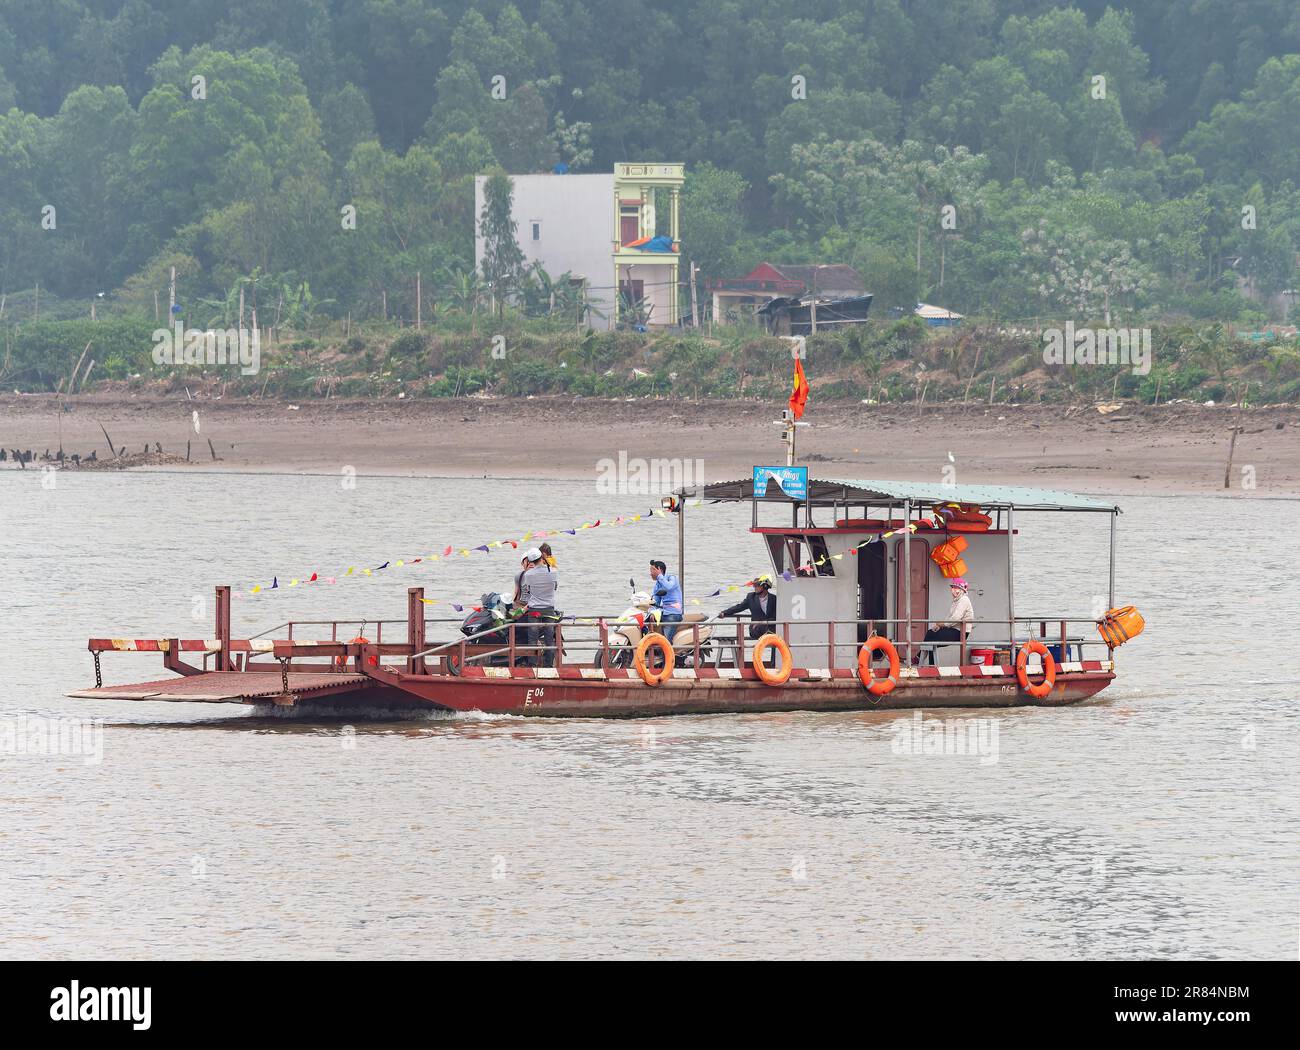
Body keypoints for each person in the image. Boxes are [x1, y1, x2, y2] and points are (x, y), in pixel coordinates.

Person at [519, 546, 559, 666]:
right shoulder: (553, 572)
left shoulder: (529, 575)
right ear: (542, 557)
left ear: (531, 561)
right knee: (549, 640)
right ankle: (548, 666)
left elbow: (528, 590)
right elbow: (555, 587)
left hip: (534, 610)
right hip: (549, 609)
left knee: (532, 639)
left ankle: (532, 665)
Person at [921, 577, 974, 665]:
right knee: (930, 634)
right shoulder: (956, 601)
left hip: (961, 632)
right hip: (953, 630)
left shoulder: (964, 600)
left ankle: (922, 659)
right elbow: (949, 617)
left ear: (961, 589)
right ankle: (930, 665)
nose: (952, 590)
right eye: (952, 587)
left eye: (955, 587)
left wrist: (942, 624)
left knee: (931, 637)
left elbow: (955, 618)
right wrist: (939, 626)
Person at [720, 575, 778, 639]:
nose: (755, 587)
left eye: (757, 585)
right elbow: (739, 607)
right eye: (754, 586)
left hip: (769, 627)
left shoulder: (774, 599)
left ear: (765, 586)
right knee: (762, 630)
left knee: (771, 631)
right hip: (755, 629)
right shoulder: (751, 597)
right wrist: (724, 613)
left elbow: (776, 616)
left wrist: (762, 622)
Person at [648, 559, 683, 641]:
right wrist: (652, 612)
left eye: (652, 570)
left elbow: (669, 587)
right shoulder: (657, 584)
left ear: (660, 569)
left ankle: (667, 652)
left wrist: (659, 576)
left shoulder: (672, 578)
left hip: (673, 614)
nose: (651, 573)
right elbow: (655, 601)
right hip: (664, 613)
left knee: (666, 641)